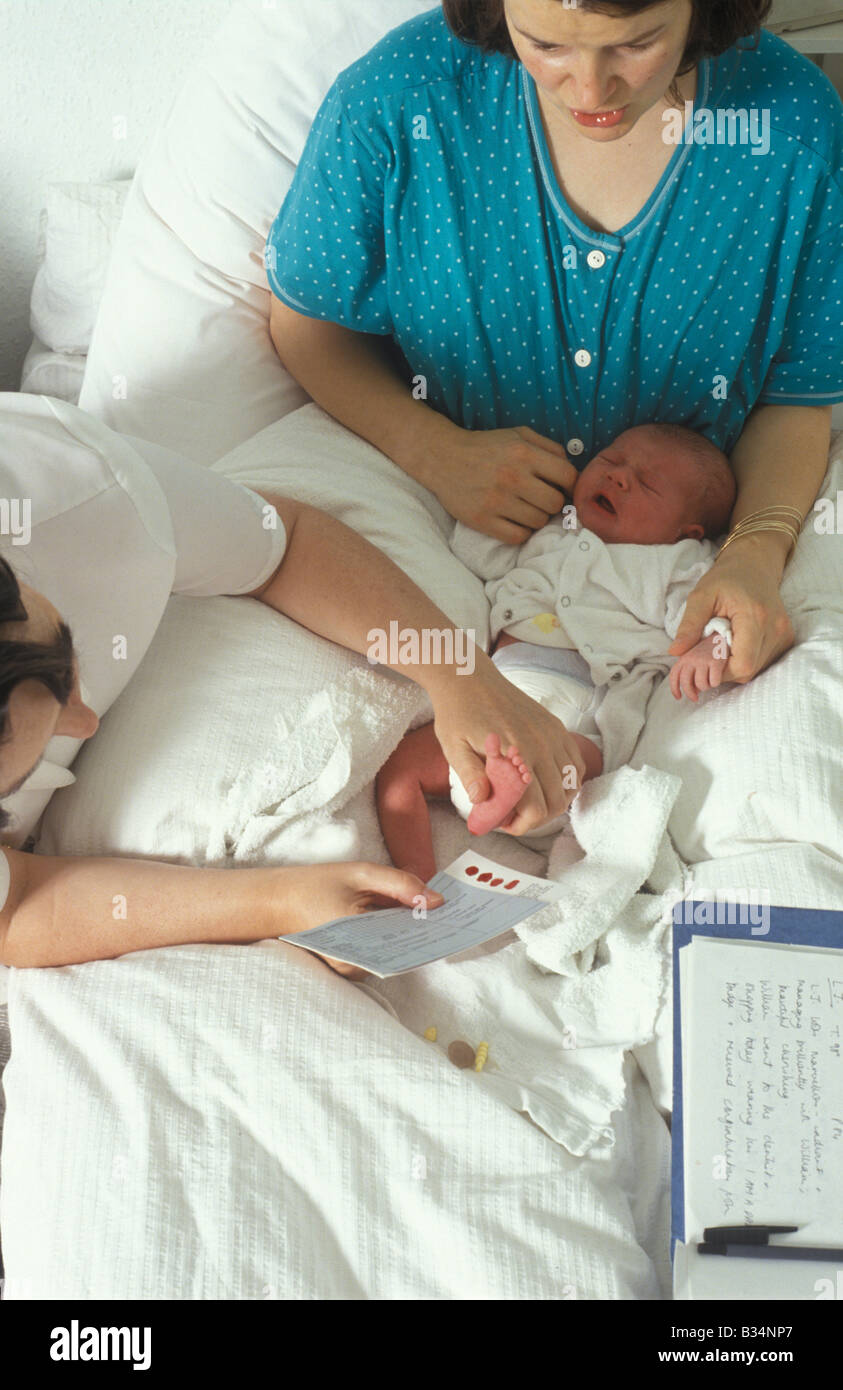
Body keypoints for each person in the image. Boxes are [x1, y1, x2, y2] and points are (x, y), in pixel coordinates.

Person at [264, 0, 841, 693]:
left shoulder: (793, 130)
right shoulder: (395, 97)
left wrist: (755, 546)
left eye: (636, 44)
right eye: (547, 45)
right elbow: (308, 327)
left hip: (682, 562)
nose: (591, 92)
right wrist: (430, 448)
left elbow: (795, 396)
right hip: (434, 509)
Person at [0, 394, 593, 978]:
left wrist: (461, 676)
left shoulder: (85, 496)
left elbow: (284, 544)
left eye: (67, 660)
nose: (86, 723)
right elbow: (14, 907)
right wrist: (276, 900)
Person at [376, 421, 740, 882]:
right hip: (489, 696)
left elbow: (709, 607)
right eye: (609, 459)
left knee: (580, 761)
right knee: (399, 769)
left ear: (684, 533)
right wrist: (495, 509)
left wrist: (714, 642)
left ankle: (515, 786)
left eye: (647, 483)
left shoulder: (674, 562)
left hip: (578, 705)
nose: (618, 476)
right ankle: (413, 873)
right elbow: (476, 550)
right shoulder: (552, 530)